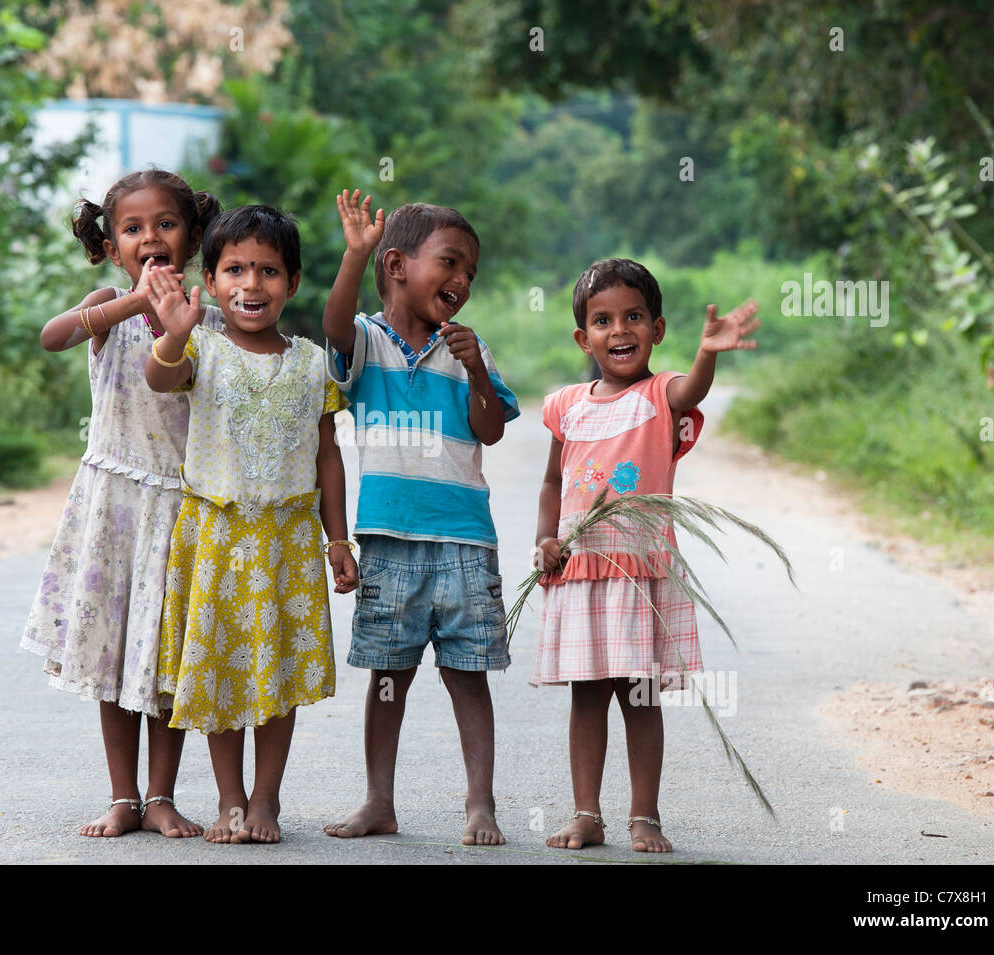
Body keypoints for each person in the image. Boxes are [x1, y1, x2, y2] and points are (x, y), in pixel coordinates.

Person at [144, 205, 358, 844]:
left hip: (289, 541)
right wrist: (175, 333)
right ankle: (230, 799)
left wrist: (337, 537)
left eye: (268, 271)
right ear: (209, 282)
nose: (251, 284)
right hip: (215, 537)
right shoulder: (200, 348)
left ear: (292, 283)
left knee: (277, 675)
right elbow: (161, 377)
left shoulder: (311, 362)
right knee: (216, 672)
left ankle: (266, 799)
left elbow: (328, 455)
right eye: (234, 269)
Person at [533, 257, 760, 852]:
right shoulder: (566, 405)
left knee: (640, 696)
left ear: (657, 329)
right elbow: (553, 482)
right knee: (587, 696)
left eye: (634, 316)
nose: (620, 330)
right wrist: (546, 538)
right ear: (584, 337)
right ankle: (587, 813)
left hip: (638, 573)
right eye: (603, 320)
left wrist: (708, 352)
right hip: (581, 572)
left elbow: (693, 389)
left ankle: (644, 816)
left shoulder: (662, 396)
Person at [21, 168, 223, 839]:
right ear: (114, 248)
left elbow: (191, 385)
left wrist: (175, 322)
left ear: (192, 237)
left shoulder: (208, 317)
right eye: (132, 228)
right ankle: (122, 796)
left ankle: (162, 795)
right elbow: (55, 335)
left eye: (165, 224)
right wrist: (133, 304)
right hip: (111, 509)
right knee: (112, 659)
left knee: (165, 662)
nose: (149, 237)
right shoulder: (108, 304)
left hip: (177, 508)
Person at [321, 191, 520, 846]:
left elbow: (488, 429)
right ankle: (378, 799)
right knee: (388, 677)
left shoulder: (470, 349)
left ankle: (479, 805)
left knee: (468, 676)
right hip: (389, 541)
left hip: (465, 540)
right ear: (398, 264)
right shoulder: (369, 346)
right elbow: (335, 324)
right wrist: (355, 254)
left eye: (471, 274)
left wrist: (476, 372)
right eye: (451, 263)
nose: (462, 282)